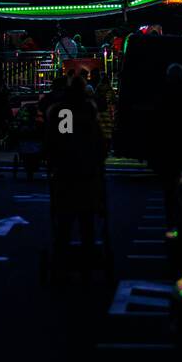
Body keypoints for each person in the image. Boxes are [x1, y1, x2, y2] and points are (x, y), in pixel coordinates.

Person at [45, 75, 107, 285]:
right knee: (86, 223)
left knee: (64, 223)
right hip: (85, 172)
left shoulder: (63, 111)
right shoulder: (87, 111)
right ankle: (86, 267)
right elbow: (96, 142)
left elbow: (59, 140)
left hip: (66, 172)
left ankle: (62, 266)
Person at [148, 62, 182, 231]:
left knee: (170, 193)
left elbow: (156, 128)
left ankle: (172, 225)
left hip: (168, 153)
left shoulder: (162, 97)